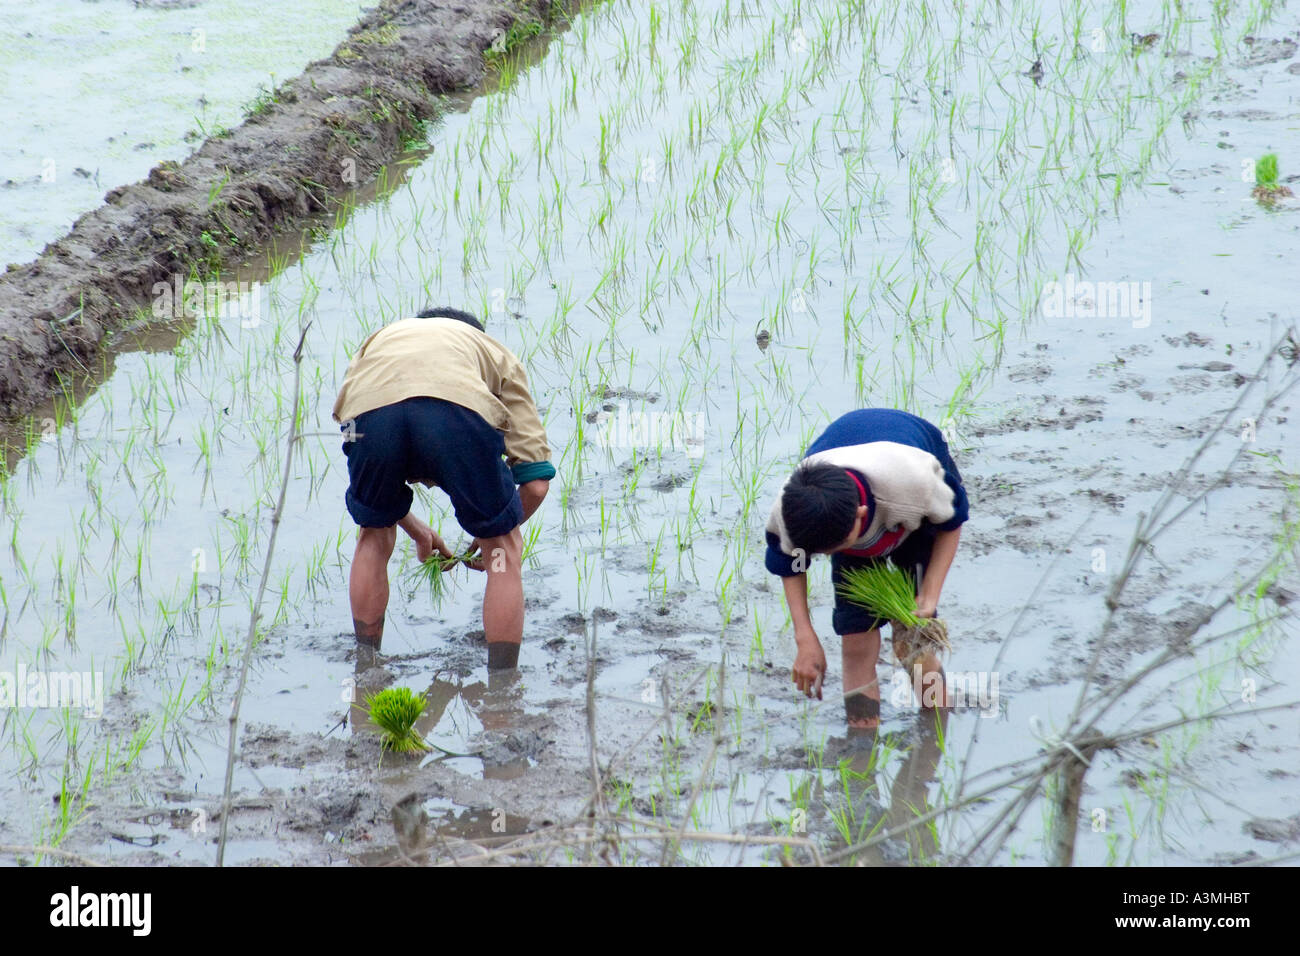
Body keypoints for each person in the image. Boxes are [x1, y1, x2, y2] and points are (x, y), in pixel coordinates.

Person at [332, 306, 555, 673]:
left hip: (370, 415)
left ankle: (366, 669)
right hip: (457, 414)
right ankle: (501, 693)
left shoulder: (380, 341)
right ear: (472, 336)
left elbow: (376, 438)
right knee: (503, 551)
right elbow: (536, 482)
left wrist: (413, 527)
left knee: (372, 533)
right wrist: (495, 531)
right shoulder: (493, 351)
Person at [764, 408, 969, 729]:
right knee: (856, 642)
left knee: (911, 642)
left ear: (860, 515)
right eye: (827, 553)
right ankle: (862, 742)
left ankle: (936, 727)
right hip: (845, 497)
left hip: (911, 504)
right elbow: (791, 564)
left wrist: (929, 594)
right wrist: (805, 638)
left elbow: (952, 522)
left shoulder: (916, 486)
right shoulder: (793, 513)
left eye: (840, 546)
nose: (838, 554)